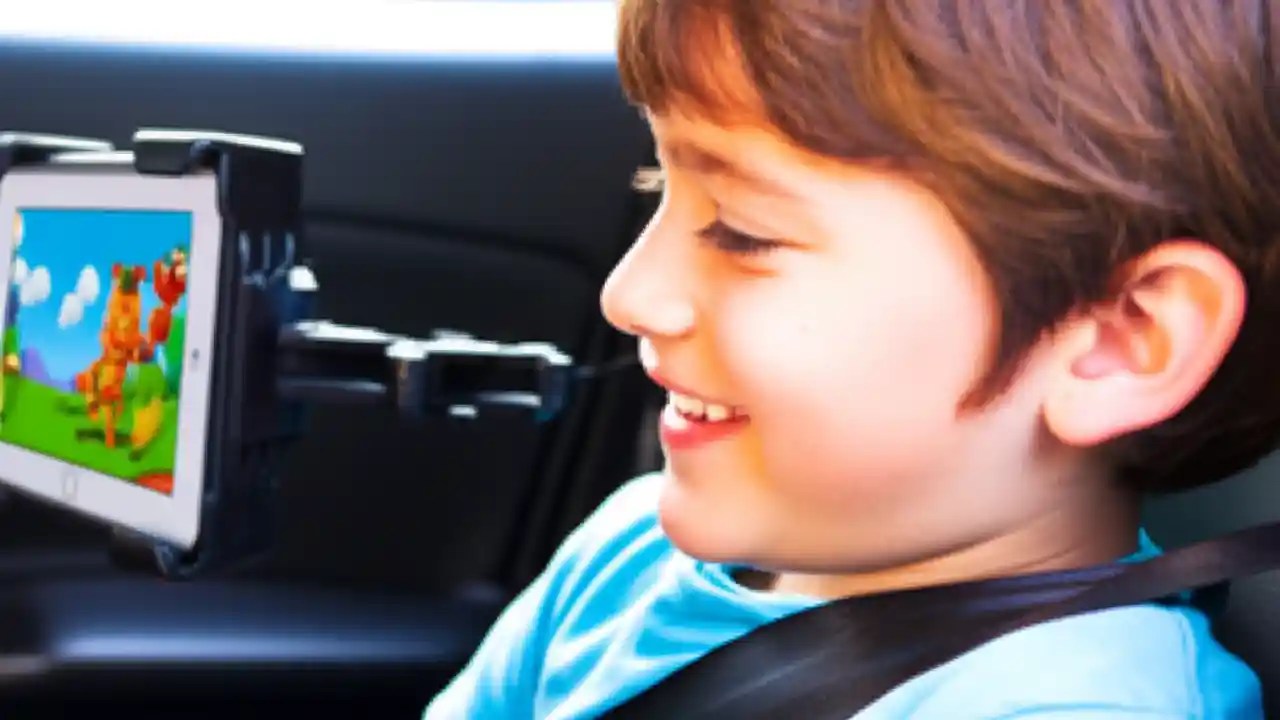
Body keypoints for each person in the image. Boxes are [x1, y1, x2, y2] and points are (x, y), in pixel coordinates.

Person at [425, 1, 1279, 717]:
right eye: (659, 187)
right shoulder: (625, 555)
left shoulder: (1068, 704)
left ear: (1120, 339)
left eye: (744, 231)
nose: (629, 293)